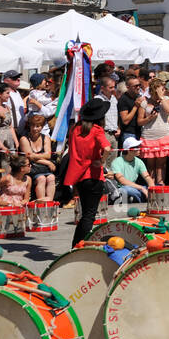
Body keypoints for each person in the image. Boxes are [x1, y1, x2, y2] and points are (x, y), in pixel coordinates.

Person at [64, 99, 111, 247]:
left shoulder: (74, 129)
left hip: (78, 175)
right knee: (89, 216)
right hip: (93, 174)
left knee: (86, 214)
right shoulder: (96, 130)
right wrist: (101, 161)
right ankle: (78, 245)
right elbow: (108, 148)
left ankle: (76, 244)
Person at [137, 78, 169, 187]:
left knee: (161, 164)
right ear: (154, 90)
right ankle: (151, 184)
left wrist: (161, 97)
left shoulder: (166, 99)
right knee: (151, 164)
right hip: (148, 136)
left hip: (163, 135)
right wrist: (149, 118)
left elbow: (168, 110)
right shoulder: (144, 102)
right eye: (161, 89)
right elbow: (139, 121)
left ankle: (160, 182)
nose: (164, 90)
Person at [20, 112, 57, 202]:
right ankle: (41, 203)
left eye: (38, 126)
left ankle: (50, 203)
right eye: (33, 126)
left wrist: (34, 156)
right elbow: (29, 157)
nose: (35, 129)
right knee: (41, 179)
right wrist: (47, 162)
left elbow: (48, 155)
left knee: (51, 178)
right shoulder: (24, 139)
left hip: (44, 168)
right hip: (32, 168)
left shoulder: (46, 138)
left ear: (42, 127)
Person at [109, 137, 151, 204]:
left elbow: (147, 177)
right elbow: (122, 181)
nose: (139, 148)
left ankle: (141, 197)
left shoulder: (139, 161)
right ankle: (143, 198)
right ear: (129, 150)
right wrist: (142, 189)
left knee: (158, 186)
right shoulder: (117, 162)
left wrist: (153, 189)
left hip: (134, 187)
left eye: (138, 146)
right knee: (126, 189)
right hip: (122, 188)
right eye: (136, 147)